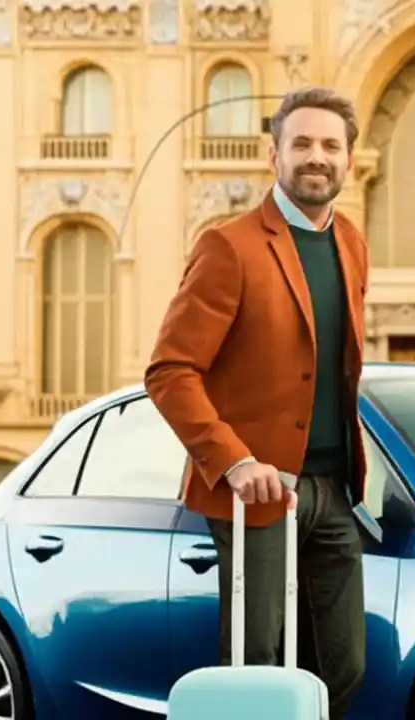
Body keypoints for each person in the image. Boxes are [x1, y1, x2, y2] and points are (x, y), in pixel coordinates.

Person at [144, 86, 369, 718]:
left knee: (343, 662)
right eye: (301, 144)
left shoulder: (351, 243)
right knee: (257, 662)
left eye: (330, 145)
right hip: (255, 494)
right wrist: (236, 462)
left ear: (350, 159)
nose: (316, 157)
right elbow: (170, 371)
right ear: (274, 155)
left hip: (330, 489)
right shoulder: (230, 247)